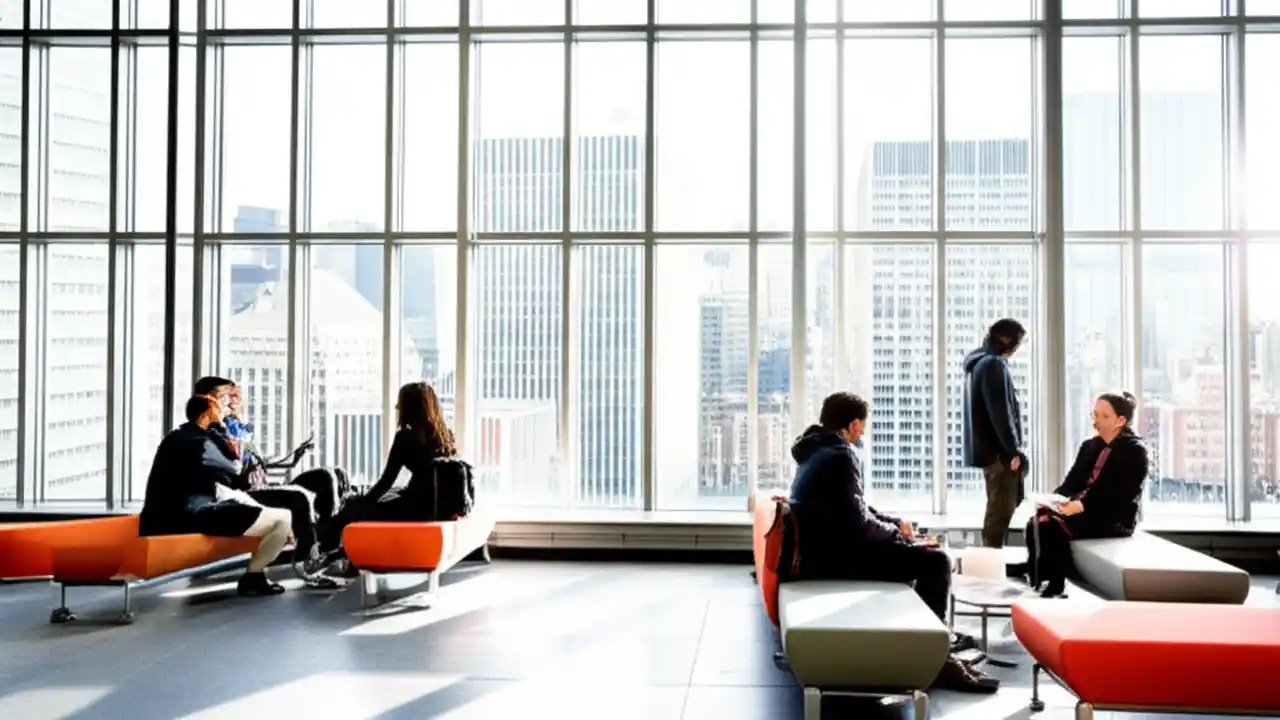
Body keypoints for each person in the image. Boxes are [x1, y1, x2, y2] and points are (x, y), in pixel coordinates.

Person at [789, 391, 999, 694]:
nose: (863, 431)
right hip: (833, 557)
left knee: (917, 553)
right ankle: (938, 658)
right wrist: (898, 536)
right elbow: (858, 523)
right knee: (936, 562)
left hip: (822, 549)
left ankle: (936, 639)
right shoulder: (841, 454)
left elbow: (853, 507)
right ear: (855, 425)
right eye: (863, 425)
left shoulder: (815, 450)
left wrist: (893, 524)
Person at [194, 376, 345, 584]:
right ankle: (307, 563)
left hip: (260, 488)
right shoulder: (207, 430)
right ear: (209, 400)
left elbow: (254, 462)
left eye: (234, 396)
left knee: (325, 476)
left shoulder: (235, 426)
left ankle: (327, 550)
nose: (231, 401)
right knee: (299, 497)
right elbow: (232, 467)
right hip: (238, 495)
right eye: (225, 396)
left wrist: (237, 419)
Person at [139, 395, 291, 597]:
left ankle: (255, 575)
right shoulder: (202, 443)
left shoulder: (174, 438)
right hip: (192, 517)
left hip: (160, 519)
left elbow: (219, 480)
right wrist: (223, 435)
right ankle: (255, 575)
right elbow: (236, 471)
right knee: (283, 518)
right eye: (218, 409)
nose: (223, 412)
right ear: (206, 414)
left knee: (253, 510)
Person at [1009, 392, 1148, 598]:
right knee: (1038, 520)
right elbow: (1070, 484)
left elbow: (1118, 494)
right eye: (1094, 415)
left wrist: (1080, 505)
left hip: (1113, 516)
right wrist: (1054, 501)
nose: (1095, 421)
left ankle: (1054, 581)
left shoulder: (1134, 451)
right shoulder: (1090, 446)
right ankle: (1037, 568)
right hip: (1082, 507)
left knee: (1050, 525)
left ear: (1121, 420)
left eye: (1103, 416)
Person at [317, 381, 458, 562]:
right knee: (377, 499)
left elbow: (386, 482)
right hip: (436, 507)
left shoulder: (406, 437)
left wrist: (360, 501)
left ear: (408, 408)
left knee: (353, 506)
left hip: (416, 510)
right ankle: (340, 555)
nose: (397, 407)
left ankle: (324, 555)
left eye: (400, 403)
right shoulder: (445, 436)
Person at [962, 318, 1028, 548]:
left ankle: (990, 563)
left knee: (996, 510)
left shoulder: (977, 364)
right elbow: (1001, 412)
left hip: (988, 451)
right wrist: (1013, 450)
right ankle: (990, 565)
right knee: (1000, 512)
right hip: (999, 454)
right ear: (1007, 341)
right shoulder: (993, 364)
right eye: (1018, 342)